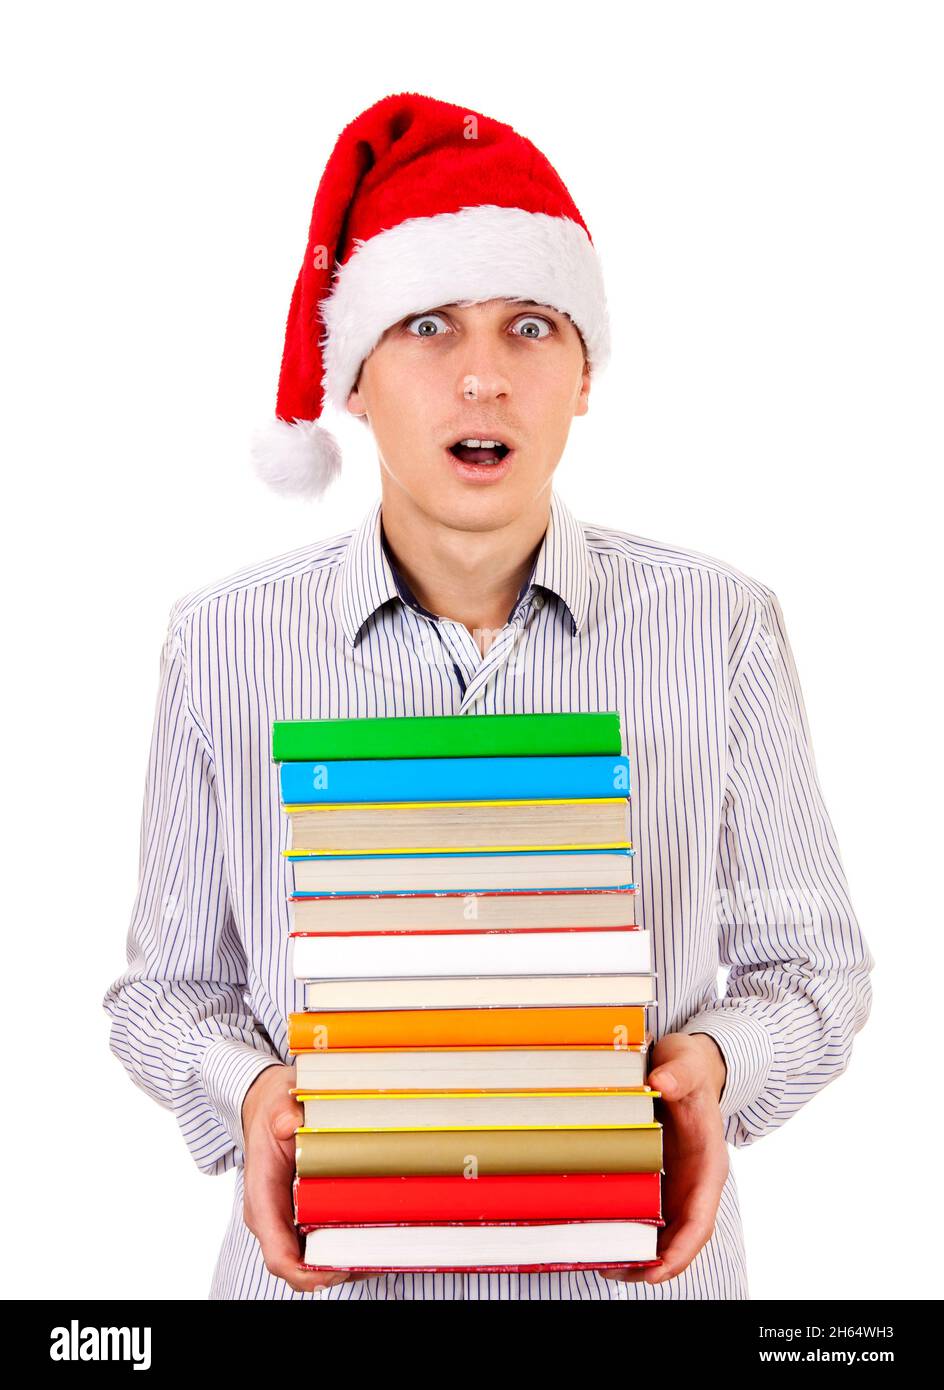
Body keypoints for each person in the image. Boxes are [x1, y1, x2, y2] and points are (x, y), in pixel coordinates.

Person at [102, 92, 874, 1301]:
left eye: (528, 326)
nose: (480, 379)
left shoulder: (716, 626)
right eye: (423, 326)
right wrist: (250, 1090)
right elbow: (166, 990)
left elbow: (812, 964)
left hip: (631, 1277)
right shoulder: (224, 641)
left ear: (582, 376)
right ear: (351, 380)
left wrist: (713, 1065)